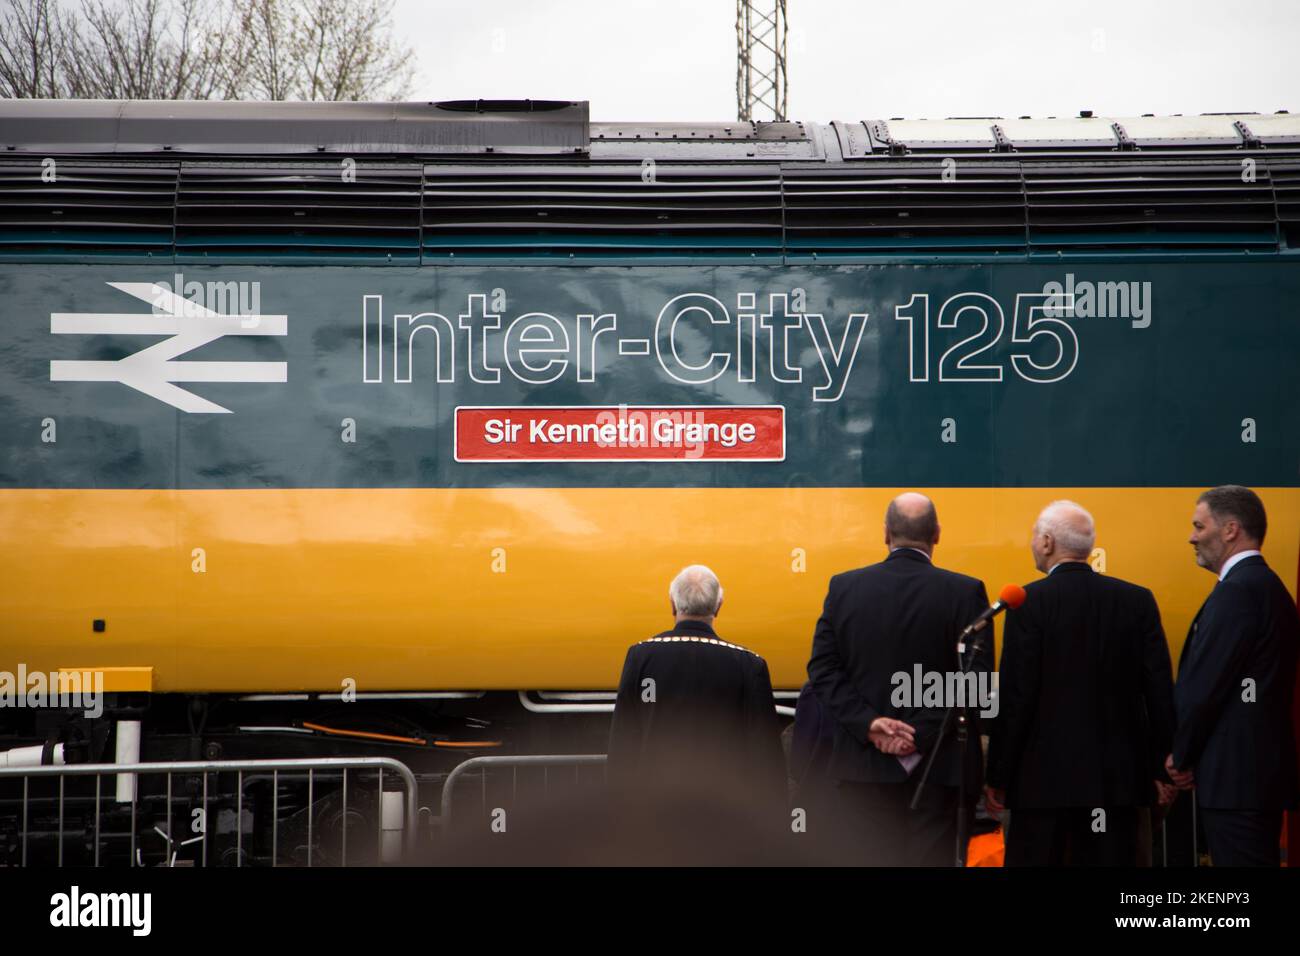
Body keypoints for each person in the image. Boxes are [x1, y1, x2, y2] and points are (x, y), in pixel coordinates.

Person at [985, 501, 1176, 866]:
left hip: (1043, 789)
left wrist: (999, 774)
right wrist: (1163, 767)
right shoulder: (1137, 600)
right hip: (1119, 786)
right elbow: (1159, 690)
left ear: (1046, 542)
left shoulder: (1028, 602)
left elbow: (1016, 697)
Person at [806, 492, 991, 865]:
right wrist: (918, 736)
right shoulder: (966, 591)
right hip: (941, 770)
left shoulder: (844, 588)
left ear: (885, 533)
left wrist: (871, 724)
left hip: (862, 768)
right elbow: (975, 681)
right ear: (937, 534)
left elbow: (823, 669)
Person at [1168, 486, 1300, 866]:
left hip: (1236, 781)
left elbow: (1206, 687)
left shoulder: (1238, 591)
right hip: (1253, 778)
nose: (1192, 536)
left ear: (1230, 530)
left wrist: (1181, 755)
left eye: (1198, 525)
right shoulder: (1265, 586)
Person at [607, 564, 786, 817]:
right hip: (727, 810)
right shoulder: (749, 664)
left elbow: (624, 743)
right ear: (718, 606)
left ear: (672, 604)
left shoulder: (641, 656)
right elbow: (765, 754)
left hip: (655, 808)